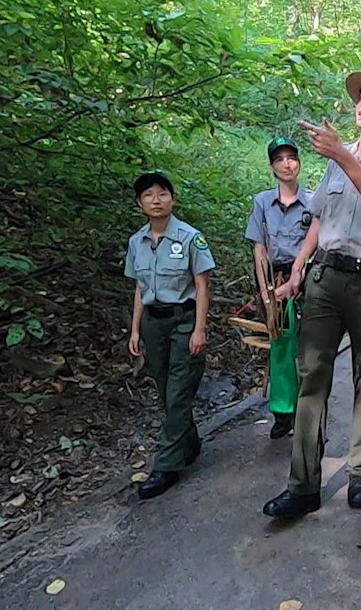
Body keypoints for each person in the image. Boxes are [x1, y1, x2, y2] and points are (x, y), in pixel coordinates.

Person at [262, 69, 361, 519]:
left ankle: (360, 471)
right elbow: (318, 220)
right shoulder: (338, 157)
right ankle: (303, 485)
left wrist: (343, 158)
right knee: (312, 376)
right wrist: (296, 270)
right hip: (325, 278)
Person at [124, 171, 216, 500]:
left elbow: (203, 286)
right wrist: (135, 329)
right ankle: (188, 443)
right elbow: (139, 287)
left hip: (183, 321)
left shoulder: (191, 238)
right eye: (148, 196)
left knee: (178, 392)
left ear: (172, 198)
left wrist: (199, 329)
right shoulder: (137, 242)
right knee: (165, 390)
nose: (156, 200)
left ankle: (166, 465)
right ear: (140, 204)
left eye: (162, 194)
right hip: (153, 323)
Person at [245, 136, 314, 439]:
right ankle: (283, 412)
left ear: (299, 162)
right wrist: (265, 291)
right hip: (273, 279)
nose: (287, 164)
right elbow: (259, 248)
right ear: (272, 166)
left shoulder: (313, 201)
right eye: (280, 159)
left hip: (308, 278)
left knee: (309, 346)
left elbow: (318, 244)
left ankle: (309, 407)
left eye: (291, 158)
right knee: (280, 345)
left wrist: (298, 276)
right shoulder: (262, 202)